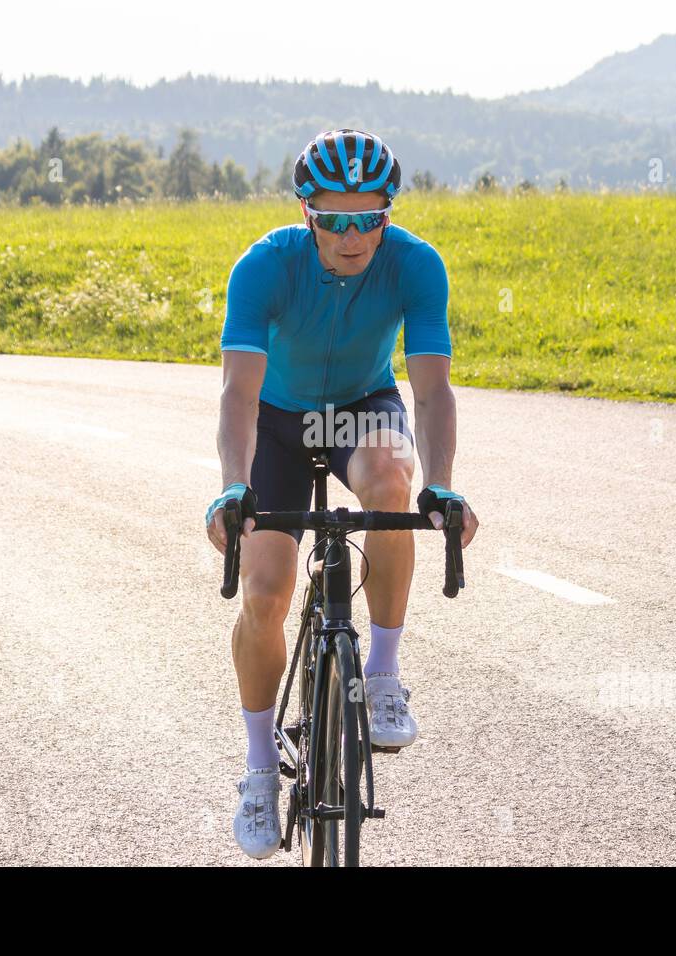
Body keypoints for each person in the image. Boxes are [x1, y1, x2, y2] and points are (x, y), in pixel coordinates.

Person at [205, 129, 479, 858]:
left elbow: (432, 391)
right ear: (307, 214)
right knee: (264, 590)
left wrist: (443, 485)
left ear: (388, 213)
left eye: (369, 218)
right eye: (334, 219)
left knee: (394, 483)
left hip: (363, 406)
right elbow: (236, 393)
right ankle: (261, 771)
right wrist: (234, 487)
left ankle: (384, 675)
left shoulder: (416, 266)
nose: (353, 235)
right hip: (276, 421)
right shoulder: (264, 267)